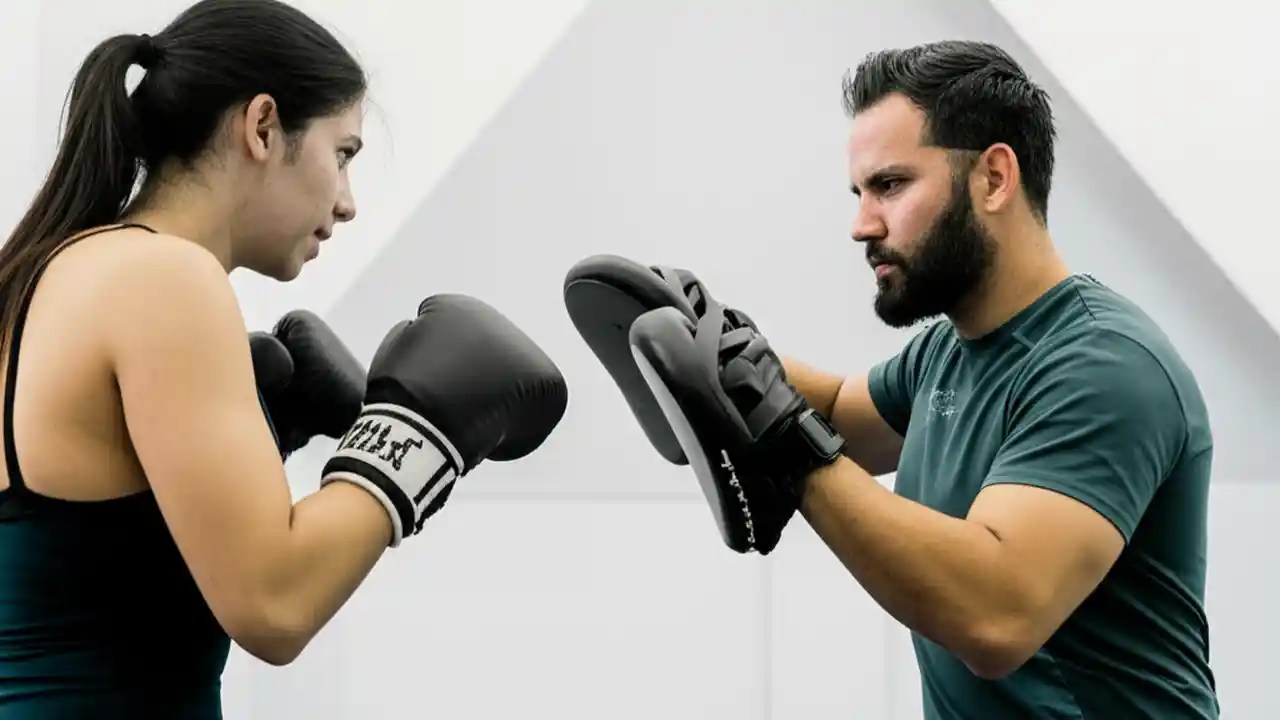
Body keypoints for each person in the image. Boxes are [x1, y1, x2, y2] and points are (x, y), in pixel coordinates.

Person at [574, 40, 1219, 719]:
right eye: (859, 193)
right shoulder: (947, 351)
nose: (861, 225)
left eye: (890, 185)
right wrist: (724, 345)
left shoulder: (1104, 365)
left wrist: (784, 439)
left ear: (994, 178)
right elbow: (836, 414)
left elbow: (995, 615)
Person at [0, 1, 567, 717]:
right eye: (343, 154)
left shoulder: (46, 275)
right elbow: (275, 603)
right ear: (263, 126)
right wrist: (413, 436)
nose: (349, 200)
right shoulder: (166, 278)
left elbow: (72, 574)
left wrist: (271, 436)